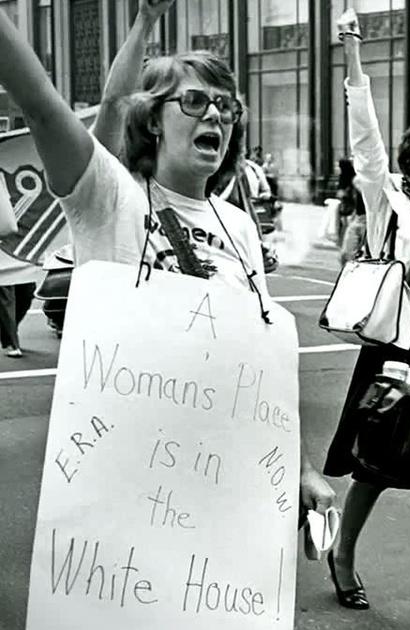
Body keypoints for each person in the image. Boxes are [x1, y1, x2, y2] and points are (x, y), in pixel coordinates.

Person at [0, 0, 335, 517]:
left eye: (227, 107)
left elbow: (265, 360)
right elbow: (46, 104)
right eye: (196, 102)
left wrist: (303, 465)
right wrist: (144, 23)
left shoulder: (240, 226)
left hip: (222, 476)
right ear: (153, 120)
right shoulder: (109, 198)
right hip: (125, 476)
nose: (216, 116)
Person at [321, 10, 410, 611]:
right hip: (398, 348)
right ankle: (343, 552)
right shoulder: (391, 203)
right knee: (375, 465)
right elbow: (364, 140)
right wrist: (353, 56)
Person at [0, 185, 32, 358]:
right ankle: (12, 341)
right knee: (6, 294)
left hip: (18, 244)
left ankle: (8, 332)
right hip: (5, 245)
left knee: (27, 291)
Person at [336, 158, 366, 266]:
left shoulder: (360, 179)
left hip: (368, 220)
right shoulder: (354, 178)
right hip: (357, 217)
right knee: (346, 254)